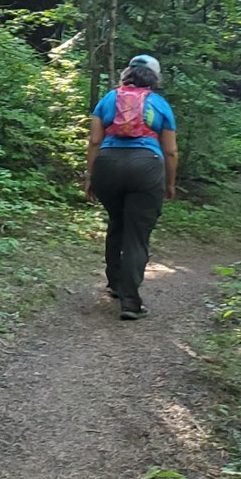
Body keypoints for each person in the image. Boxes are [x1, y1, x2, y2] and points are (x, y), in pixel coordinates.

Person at [85, 53, 177, 320]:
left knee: (117, 222)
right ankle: (130, 301)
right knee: (137, 234)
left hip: (107, 166)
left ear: (126, 75)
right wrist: (169, 183)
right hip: (147, 168)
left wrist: (90, 177)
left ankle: (114, 284)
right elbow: (170, 151)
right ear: (154, 78)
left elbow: (94, 142)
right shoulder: (159, 104)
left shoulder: (108, 99)